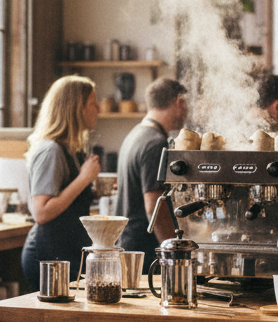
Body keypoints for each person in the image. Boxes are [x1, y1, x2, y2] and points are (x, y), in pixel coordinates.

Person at [20, 75, 101, 289]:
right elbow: (42, 212)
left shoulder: (70, 150)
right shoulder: (51, 150)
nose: (99, 109)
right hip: (48, 256)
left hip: (65, 252)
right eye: (93, 103)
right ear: (76, 109)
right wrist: (84, 179)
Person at [114, 77, 188, 258]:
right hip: (146, 251)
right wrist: (174, 253)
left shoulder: (134, 134)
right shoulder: (156, 143)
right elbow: (155, 207)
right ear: (179, 102)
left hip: (128, 243)